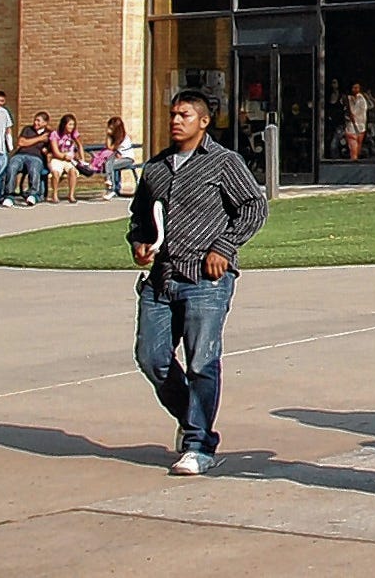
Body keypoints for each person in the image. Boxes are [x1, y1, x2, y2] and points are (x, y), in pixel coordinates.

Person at [126, 89, 269, 477]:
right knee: (151, 358)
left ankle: (198, 445)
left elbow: (255, 207)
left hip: (206, 279)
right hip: (161, 279)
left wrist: (223, 246)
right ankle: (194, 419)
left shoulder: (224, 163)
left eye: (184, 115)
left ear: (203, 122)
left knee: (203, 361)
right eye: (172, 114)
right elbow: (140, 215)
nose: (175, 121)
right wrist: (139, 243)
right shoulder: (156, 167)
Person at [89, 116, 142, 201]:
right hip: (118, 159)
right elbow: (109, 147)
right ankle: (110, 184)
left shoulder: (122, 137)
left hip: (127, 159)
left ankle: (111, 188)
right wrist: (108, 136)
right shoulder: (114, 137)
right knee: (108, 163)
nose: (109, 129)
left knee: (111, 165)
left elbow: (111, 147)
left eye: (111, 127)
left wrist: (108, 135)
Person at [6, 111, 52, 206]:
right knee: (12, 165)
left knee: (34, 167)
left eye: (39, 121)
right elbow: (21, 143)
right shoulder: (27, 129)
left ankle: (33, 194)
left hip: (36, 157)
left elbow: (50, 148)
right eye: (35, 120)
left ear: (45, 123)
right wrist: (39, 139)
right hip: (20, 155)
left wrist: (46, 150)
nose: (36, 122)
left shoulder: (49, 134)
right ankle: (9, 195)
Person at [48, 113, 85, 202]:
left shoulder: (74, 134)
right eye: (70, 124)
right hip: (58, 158)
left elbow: (80, 146)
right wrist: (64, 156)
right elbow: (55, 151)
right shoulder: (55, 134)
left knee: (72, 171)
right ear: (64, 125)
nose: (72, 127)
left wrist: (82, 159)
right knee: (56, 173)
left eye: (73, 125)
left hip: (69, 159)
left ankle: (71, 195)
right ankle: (55, 195)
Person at [343, 83, 374, 160]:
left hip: (361, 126)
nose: (356, 89)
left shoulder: (362, 98)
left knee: (358, 148)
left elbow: (370, 106)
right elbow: (344, 110)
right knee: (353, 147)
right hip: (351, 126)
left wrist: (368, 97)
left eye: (357, 87)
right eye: (354, 87)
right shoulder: (347, 98)